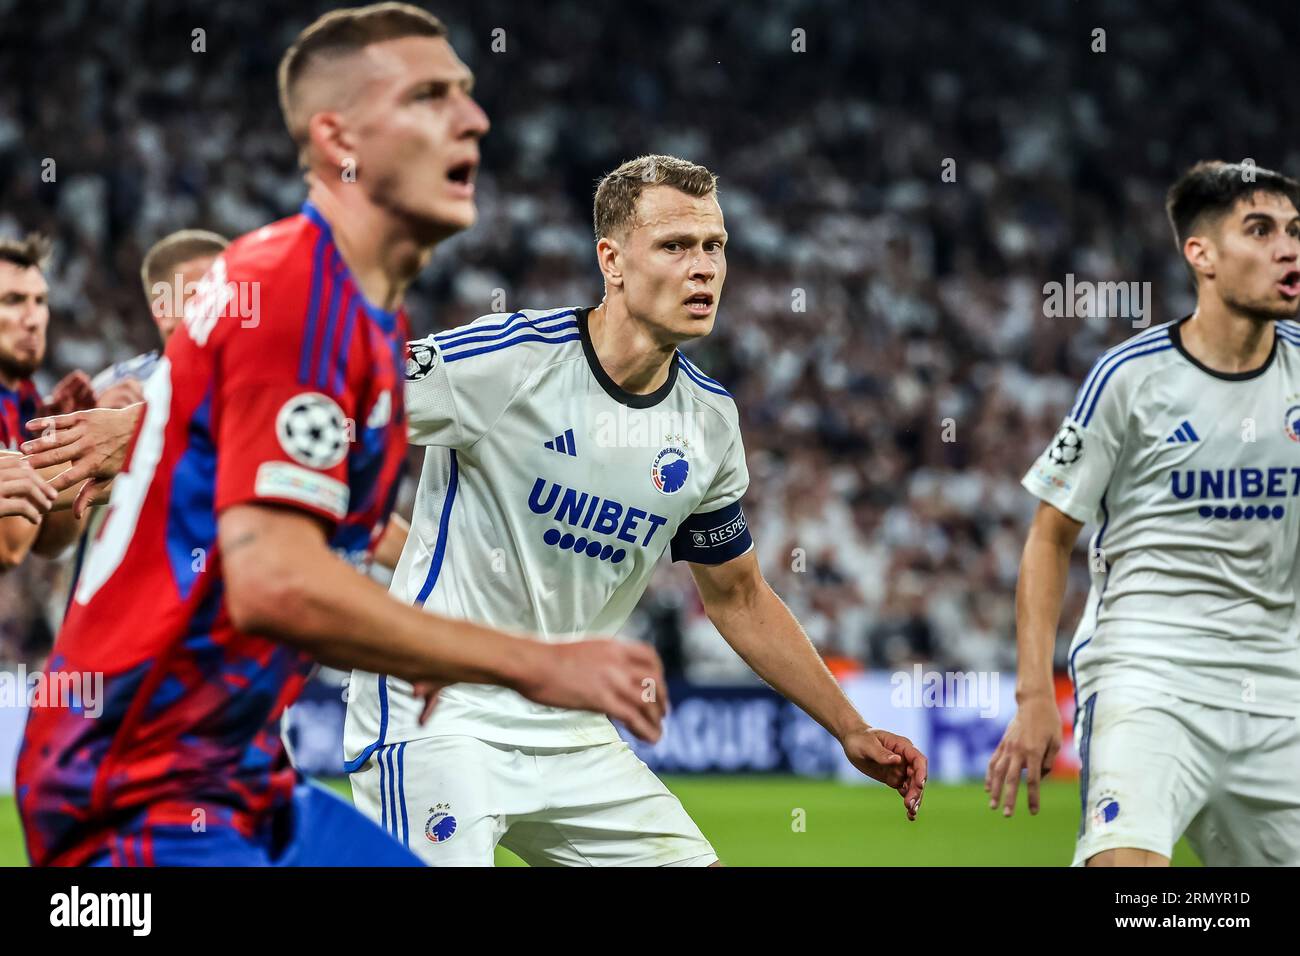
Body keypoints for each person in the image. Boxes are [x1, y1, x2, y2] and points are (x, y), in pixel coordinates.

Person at [15, 2, 664, 868]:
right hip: (137, 792)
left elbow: (284, 554)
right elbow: (275, 584)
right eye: (430, 95)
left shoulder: (365, 325)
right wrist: (530, 664)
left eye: (468, 94)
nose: (474, 118)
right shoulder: (292, 292)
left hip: (240, 780)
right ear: (337, 140)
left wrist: (408, 640)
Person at [344, 154, 928, 866]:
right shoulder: (506, 365)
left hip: (574, 728)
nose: (704, 267)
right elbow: (337, 397)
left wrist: (849, 726)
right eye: (676, 246)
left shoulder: (709, 422)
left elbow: (739, 596)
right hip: (441, 714)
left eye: (715, 246)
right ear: (612, 262)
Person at [987, 160, 1300, 866]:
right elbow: (1049, 535)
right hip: (1148, 677)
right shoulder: (1130, 378)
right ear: (1203, 255)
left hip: (1280, 687)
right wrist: (1037, 695)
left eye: (1295, 231)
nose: (1289, 248)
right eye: (1261, 230)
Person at [0, 233, 95, 570]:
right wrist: (83, 442)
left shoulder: (25, 399)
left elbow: (53, 541)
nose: (33, 318)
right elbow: (7, 548)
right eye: (14, 300)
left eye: (40, 301)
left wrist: (67, 431)